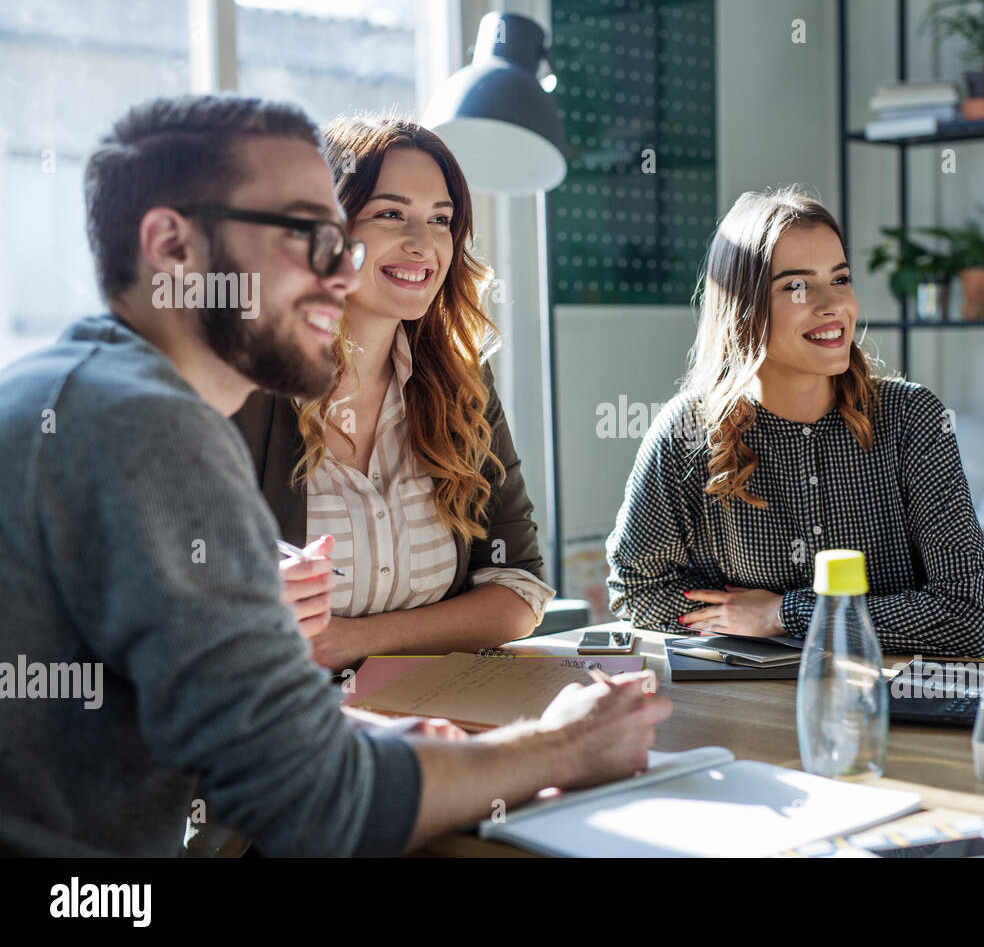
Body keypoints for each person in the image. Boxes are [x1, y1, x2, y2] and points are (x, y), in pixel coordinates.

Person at [0, 93, 668, 857]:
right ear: (173, 248)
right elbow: (313, 800)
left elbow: (219, 719)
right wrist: (562, 749)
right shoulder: (145, 427)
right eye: (305, 233)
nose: (341, 266)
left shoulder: (88, 391)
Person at [606, 188, 984, 657]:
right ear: (743, 307)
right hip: (742, 707)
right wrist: (738, 624)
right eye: (796, 285)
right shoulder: (685, 431)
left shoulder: (912, 419)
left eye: (841, 278)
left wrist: (780, 616)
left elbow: (966, 616)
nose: (833, 305)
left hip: (886, 705)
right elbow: (637, 592)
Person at [233, 117, 549, 672]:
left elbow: (518, 587)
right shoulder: (244, 387)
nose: (423, 245)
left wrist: (357, 640)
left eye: (441, 220)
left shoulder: (462, 385)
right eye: (390, 213)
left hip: (431, 716)